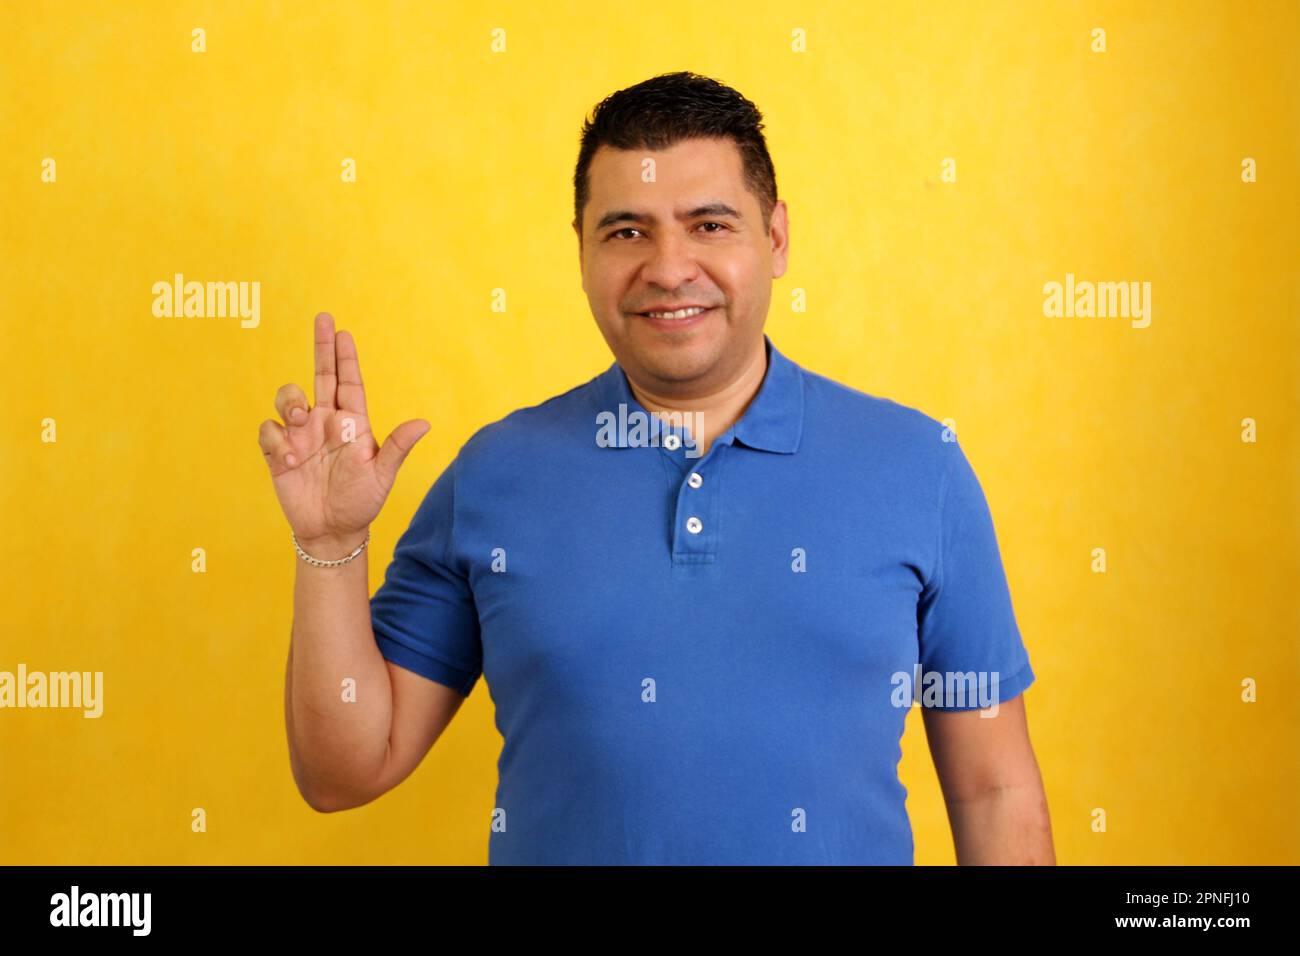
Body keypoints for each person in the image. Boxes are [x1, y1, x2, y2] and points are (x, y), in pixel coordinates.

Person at [259, 71, 1054, 865]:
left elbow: (995, 792)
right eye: (627, 232)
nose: (669, 269)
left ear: (775, 239)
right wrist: (330, 546)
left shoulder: (917, 469)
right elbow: (344, 771)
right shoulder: (493, 477)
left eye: (709, 225)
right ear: (581, 250)